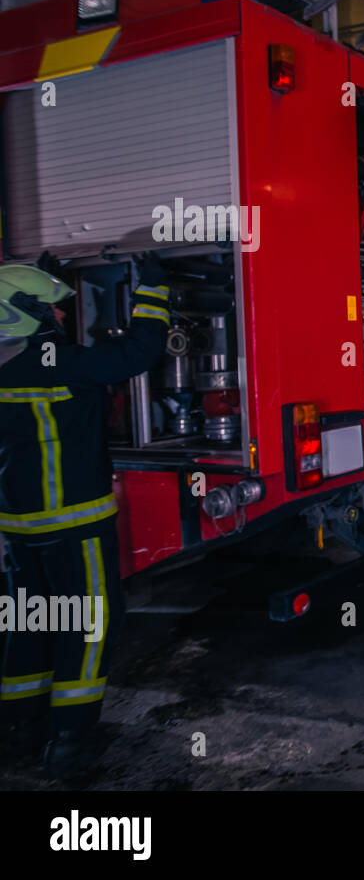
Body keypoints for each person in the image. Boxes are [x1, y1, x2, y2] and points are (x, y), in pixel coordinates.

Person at [0, 254, 170, 778]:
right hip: (75, 524)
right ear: (25, 314)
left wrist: (43, 279)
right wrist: (154, 291)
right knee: (88, 624)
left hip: (19, 531)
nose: (58, 318)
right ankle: (71, 742)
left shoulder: (18, 364)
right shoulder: (60, 363)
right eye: (50, 311)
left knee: (30, 625)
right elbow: (138, 352)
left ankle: (19, 732)